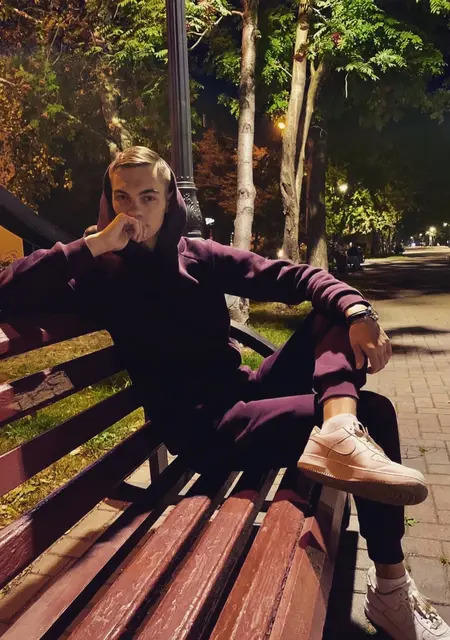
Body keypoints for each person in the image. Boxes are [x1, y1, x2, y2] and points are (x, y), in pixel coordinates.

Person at [0, 147, 447, 640]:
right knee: (377, 413)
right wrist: (92, 245)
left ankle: (338, 427)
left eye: (148, 197)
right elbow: (7, 287)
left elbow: (296, 277)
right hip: (205, 429)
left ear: (169, 201)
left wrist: (358, 310)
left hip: (243, 394)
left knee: (331, 311)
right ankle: (390, 590)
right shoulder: (97, 273)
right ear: (108, 201)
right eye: (122, 197)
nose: (134, 210)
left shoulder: (198, 256)